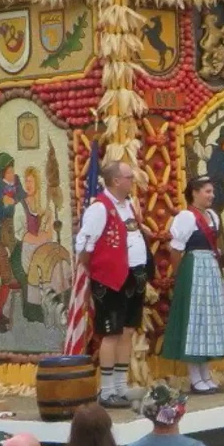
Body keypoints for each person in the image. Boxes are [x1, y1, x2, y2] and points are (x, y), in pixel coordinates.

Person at [74, 161, 154, 407]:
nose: (133, 180)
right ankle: (107, 391)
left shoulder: (128, 205)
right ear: (116, 181)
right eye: (129, 176)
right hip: (110, 279)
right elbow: (83, 245)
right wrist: (99, 271)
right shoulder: (99, 208)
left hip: (134, 276)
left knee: (128, 331)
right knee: (111, 333)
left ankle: (121, 386)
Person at [160, 176, 224, 394]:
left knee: (208, 320)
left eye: (212, 192)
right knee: (195, 321)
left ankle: (206, 374)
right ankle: (195, 378)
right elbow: (176, 250)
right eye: (207, 191)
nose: (211, 195)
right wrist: (181, 274)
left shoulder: (213, 216)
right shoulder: (186, 216)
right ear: (194, 192)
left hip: (210, 269)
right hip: (194, 268)